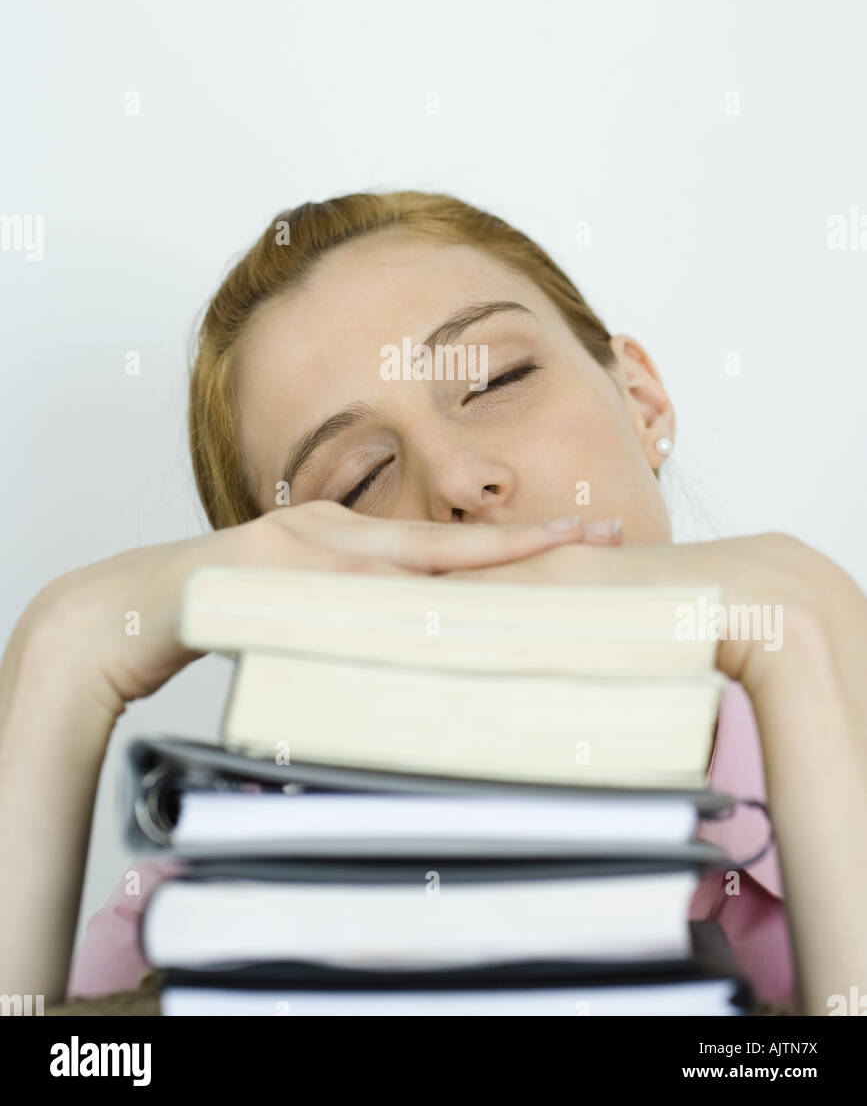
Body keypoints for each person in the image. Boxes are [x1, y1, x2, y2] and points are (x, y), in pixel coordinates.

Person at [2, 191, 864, 1015]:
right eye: (359, 479)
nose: (457, 484)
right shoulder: (199, 921)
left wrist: (811, 630)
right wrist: (63, 651)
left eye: (495, 380)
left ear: (640, 401)